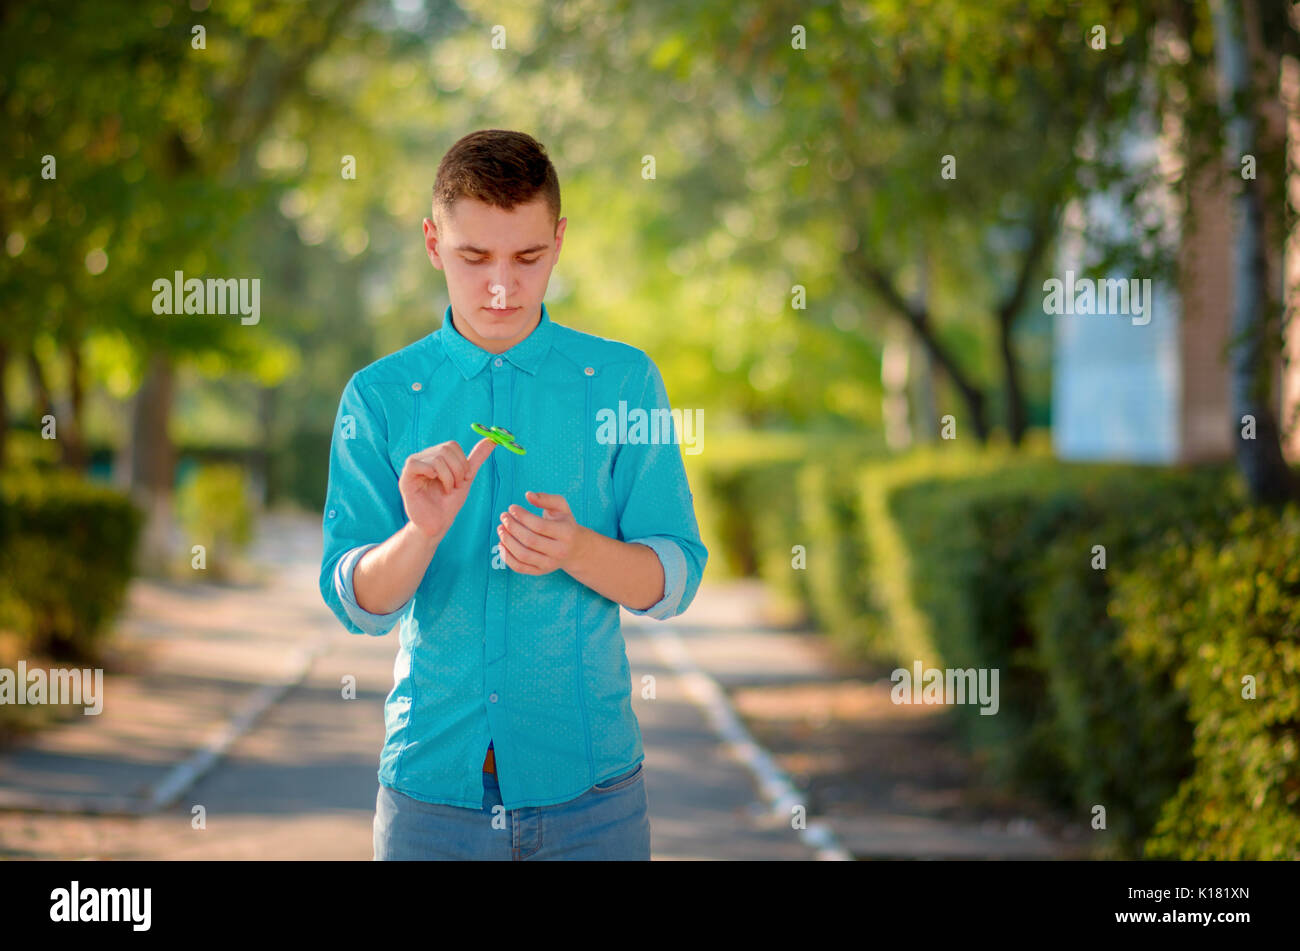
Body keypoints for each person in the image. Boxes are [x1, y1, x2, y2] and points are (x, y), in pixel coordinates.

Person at [318, 129, 708, 860]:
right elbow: (357, 602)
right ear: (433, 243)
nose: (502, 285)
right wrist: (421, 533)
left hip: (594, 799)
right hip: (429, 797)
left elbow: (675, 575)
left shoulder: (624, 382)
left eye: (527, 257)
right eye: (474, 257)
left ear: (559, 242)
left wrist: (579, 549)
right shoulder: (376, 397)